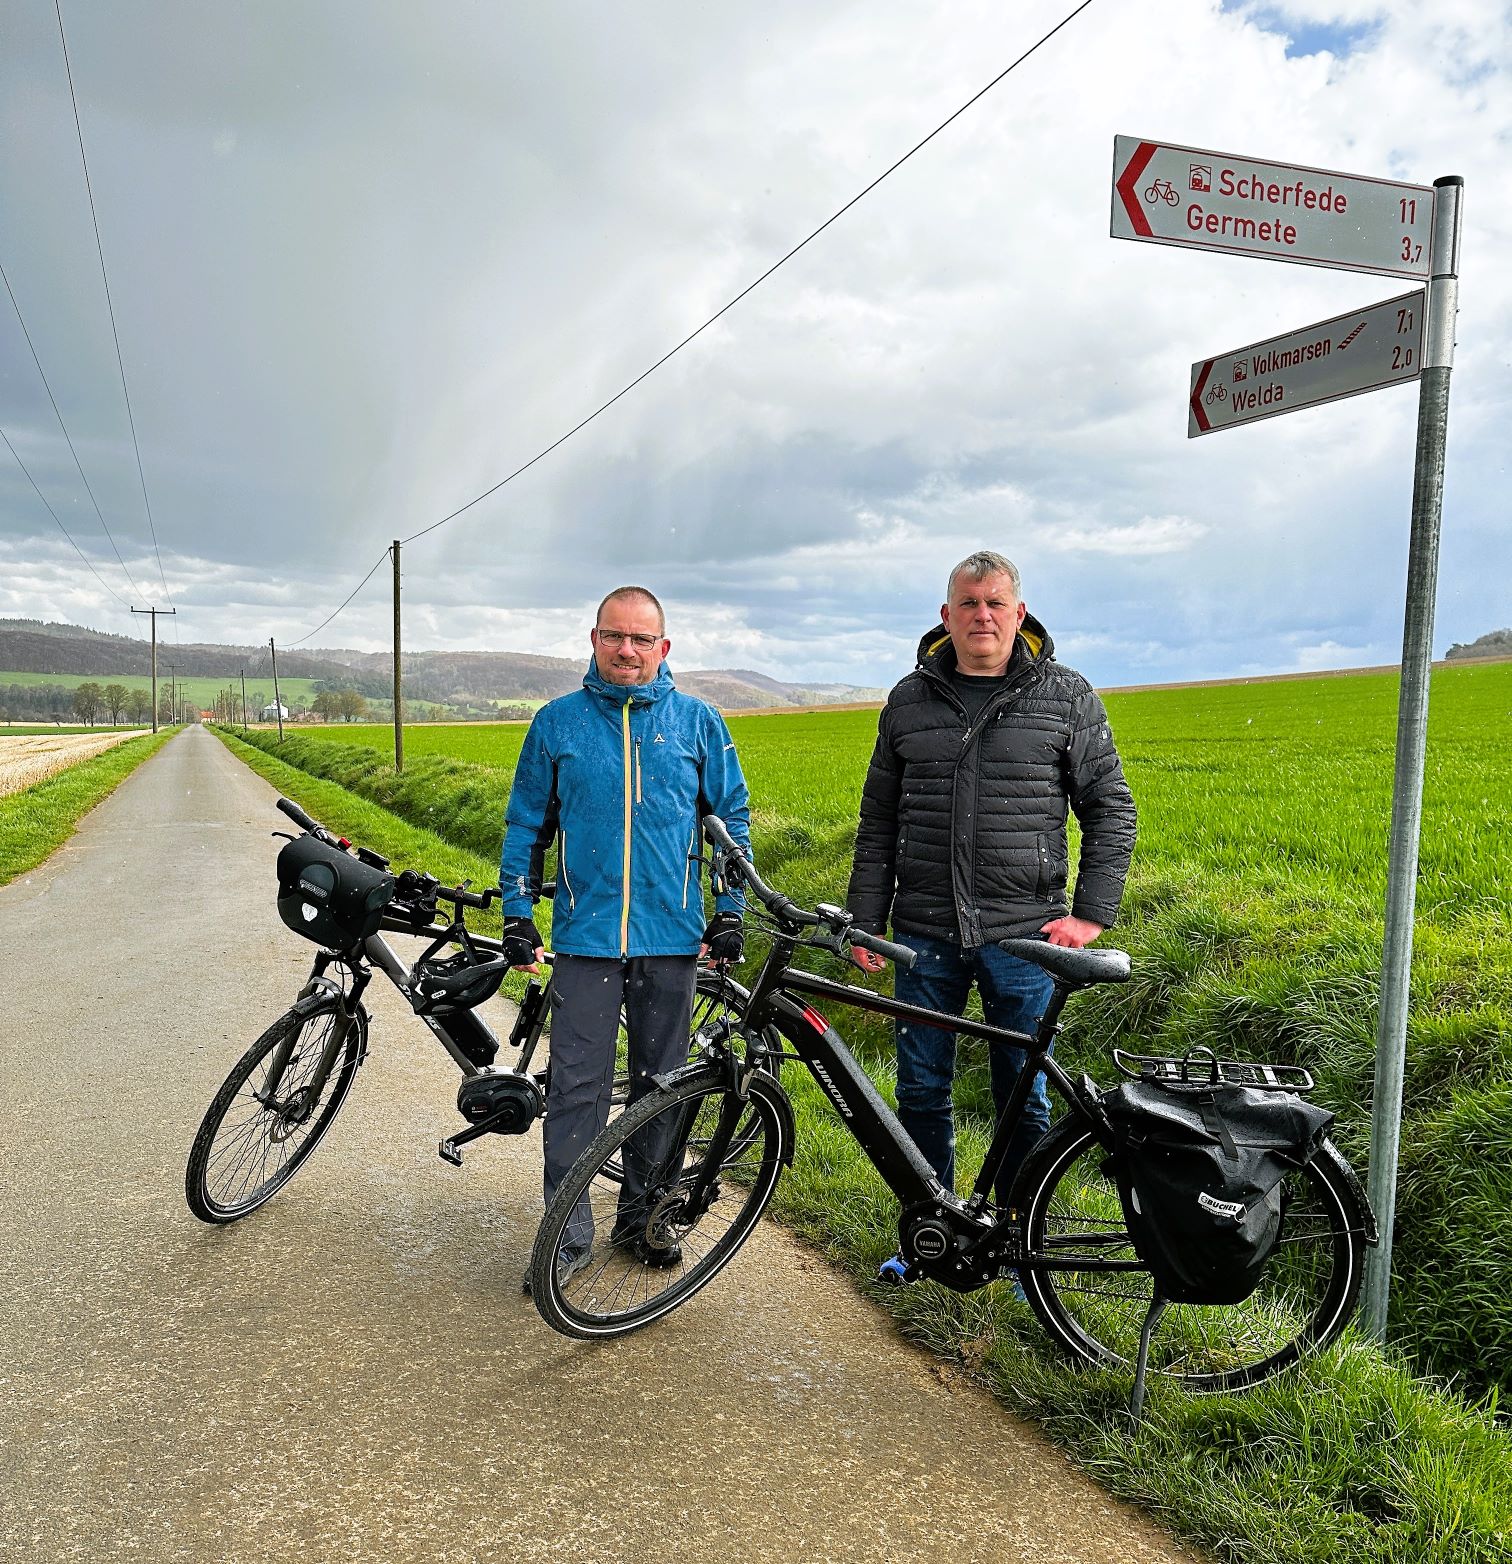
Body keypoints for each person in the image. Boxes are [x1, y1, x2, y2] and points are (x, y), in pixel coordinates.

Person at [845, 549, 1136, 1208]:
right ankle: (930, 1232)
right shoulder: (909, 699)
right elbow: (878, 821)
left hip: (1026, 936)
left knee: (1021, 1097)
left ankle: (1013, 1242)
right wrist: (866, 919)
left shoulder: (1065, 695)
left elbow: (1111, 808)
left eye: (994, 602)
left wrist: (1089, 913)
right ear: (946, 616)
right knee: (920, 1090)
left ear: (1019, 613)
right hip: (923, 932)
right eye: (968, 604)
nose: (982, 616)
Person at [498, 585, 751, 1288]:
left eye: (642, 640)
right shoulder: (557, 724)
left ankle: (644, 1220)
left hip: (670, 940)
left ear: (664, 648)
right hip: (584, 940)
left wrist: (728, 907)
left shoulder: (699, 724)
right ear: (594, 639)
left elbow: (732, 819)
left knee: (659, 1087)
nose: (628, 650)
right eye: (615, 636)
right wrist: (518, 913)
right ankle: (566, 1238)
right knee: (577, 1091)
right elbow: (526, 826)